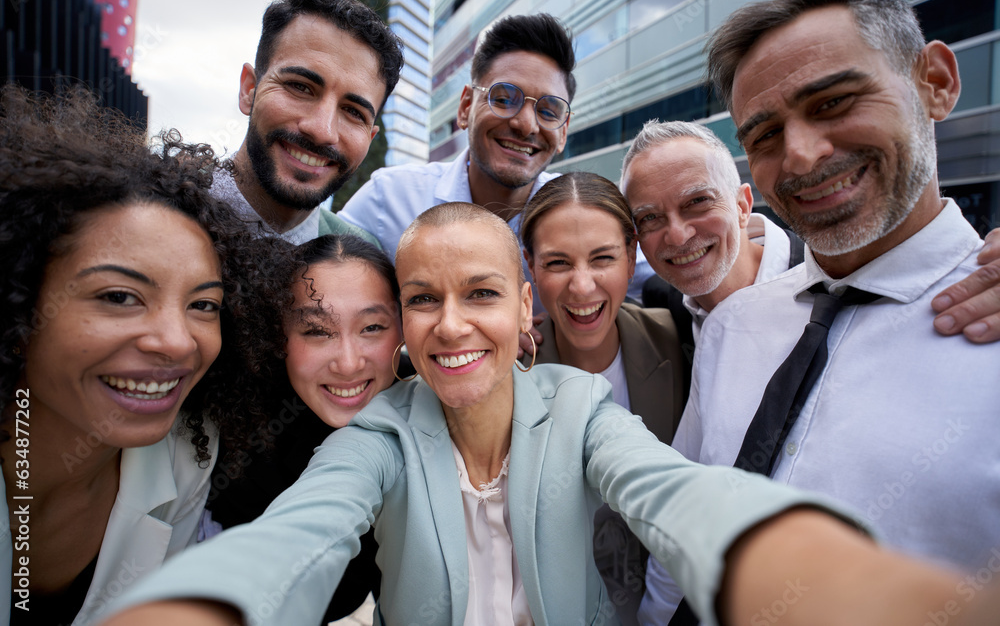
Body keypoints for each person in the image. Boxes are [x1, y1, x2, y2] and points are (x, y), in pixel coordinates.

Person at [100, 202, 996, 626]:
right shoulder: (380, 431)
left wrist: (858, 593)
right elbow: (297, 538)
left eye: (481, 293)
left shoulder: (576, 403)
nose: (451, 324)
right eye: (421, 300)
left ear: (524, 311)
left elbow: (678, 496)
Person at [641, 0, 1000, 623]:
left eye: (834, 102)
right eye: (765, 136)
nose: (802, 155)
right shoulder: (731, 326)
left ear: (937, 83)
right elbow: (681, 510)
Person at [0, 85, 289, 626]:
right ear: (18, 304)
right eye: (119, 297)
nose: (177, 341)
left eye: (204, 304)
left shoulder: (187, 455)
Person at [622, 119, 1000, 400]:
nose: (677, 234)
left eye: (697, 202)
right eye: (650, 217)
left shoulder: (845, 280)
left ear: (742, 205)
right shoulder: (662, 300)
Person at [338, 12, 654, 303]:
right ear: (465, 108)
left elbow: (664, 284)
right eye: (504, 98)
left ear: (563, 131)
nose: (526, 124)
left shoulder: (585, 214)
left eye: (548, 110)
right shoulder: (390, 199)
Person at [203, 234, 403, 623]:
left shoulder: (433, 408)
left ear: (404, 327)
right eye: (317, 331)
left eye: (373, 327)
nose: (348, 363)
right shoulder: (237, 429)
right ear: (278, 336)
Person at [520, 172, 685, 623]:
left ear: (631, 259)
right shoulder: (512, 370)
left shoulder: (679, 340)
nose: (583, 286)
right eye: (557, 263)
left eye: (603, 258)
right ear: (530, 268)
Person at [213, 0, 404, 245]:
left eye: (353, 112)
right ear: (249, 90)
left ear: (370, 138)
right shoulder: (151, 208)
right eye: (300, 87)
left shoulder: (367, 265)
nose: (321, 130)